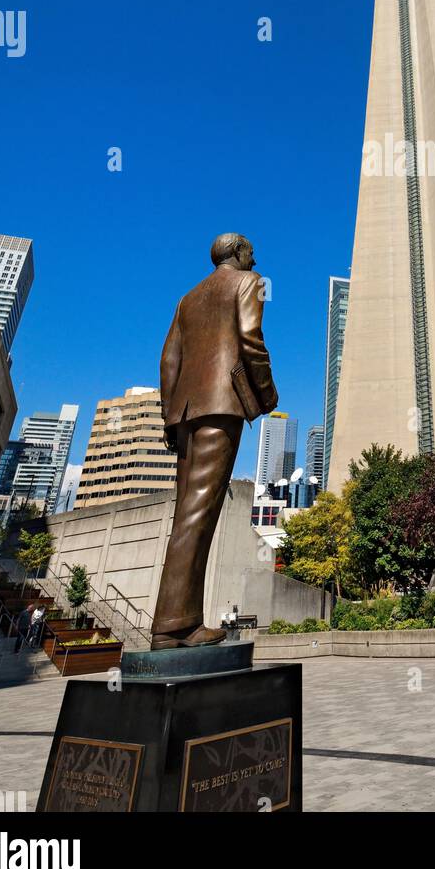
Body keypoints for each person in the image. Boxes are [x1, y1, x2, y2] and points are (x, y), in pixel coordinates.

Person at [152, 233, 277, 650]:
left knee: (188, 513)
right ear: (238, 254)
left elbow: (169, 358)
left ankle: (176, 627)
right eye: (250, 251)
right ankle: (172, 625)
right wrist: (266, 393)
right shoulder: (249, 282)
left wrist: (171, 416)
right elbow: (250, 340)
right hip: (221, 405)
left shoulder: (188, 298)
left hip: (186, 411)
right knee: (198, 514)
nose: (255, 256)